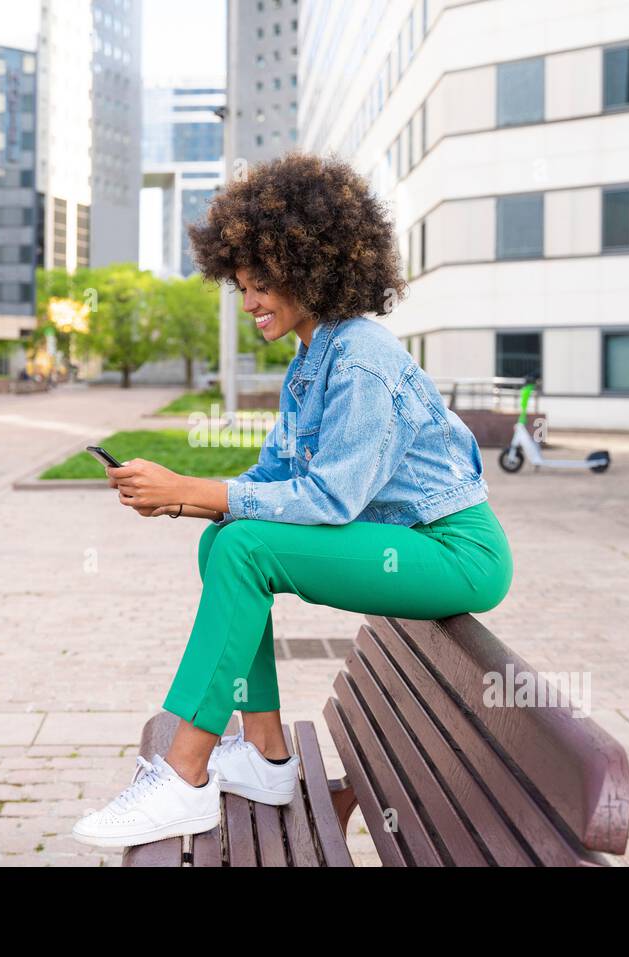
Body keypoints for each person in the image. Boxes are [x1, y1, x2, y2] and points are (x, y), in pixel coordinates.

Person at [71, 152, 514, 848]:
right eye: (241, 286)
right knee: (223, 539)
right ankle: (269, 751)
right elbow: (271, 482)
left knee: (242, 546)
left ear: (311, 265)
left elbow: (332, 498)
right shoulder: (311, 365)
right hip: (418, 543)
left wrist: (192, 488)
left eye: (261, 284)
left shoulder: (362, 354)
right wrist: (177, 501)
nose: (247, 302)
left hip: (457, 550)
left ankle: (184, 776)